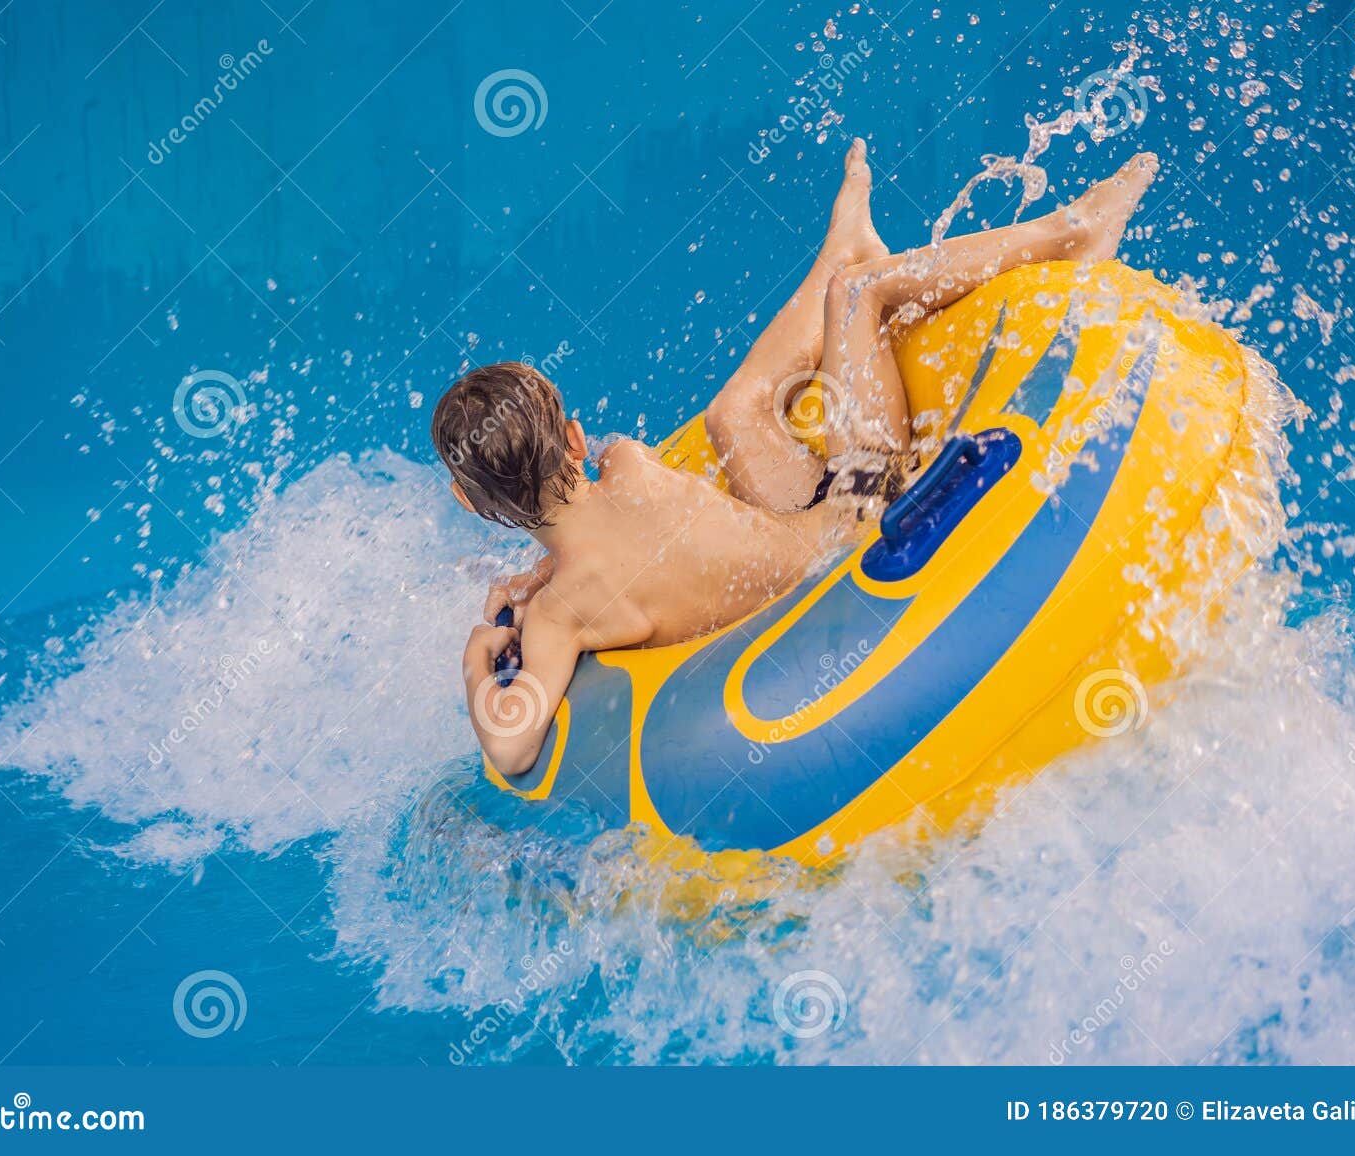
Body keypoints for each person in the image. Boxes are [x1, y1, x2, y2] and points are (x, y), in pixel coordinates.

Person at [431, 140, 1159, 774]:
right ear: (575, 439)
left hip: (832, 540)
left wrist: (478, 656)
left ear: (471, 503)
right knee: (855, 300)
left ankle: (917, 243)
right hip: (844, 535)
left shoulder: (561, 614)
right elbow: (628, 536)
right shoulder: (627, 464)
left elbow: (511, 746)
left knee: (738, 408)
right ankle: (1051, 233)